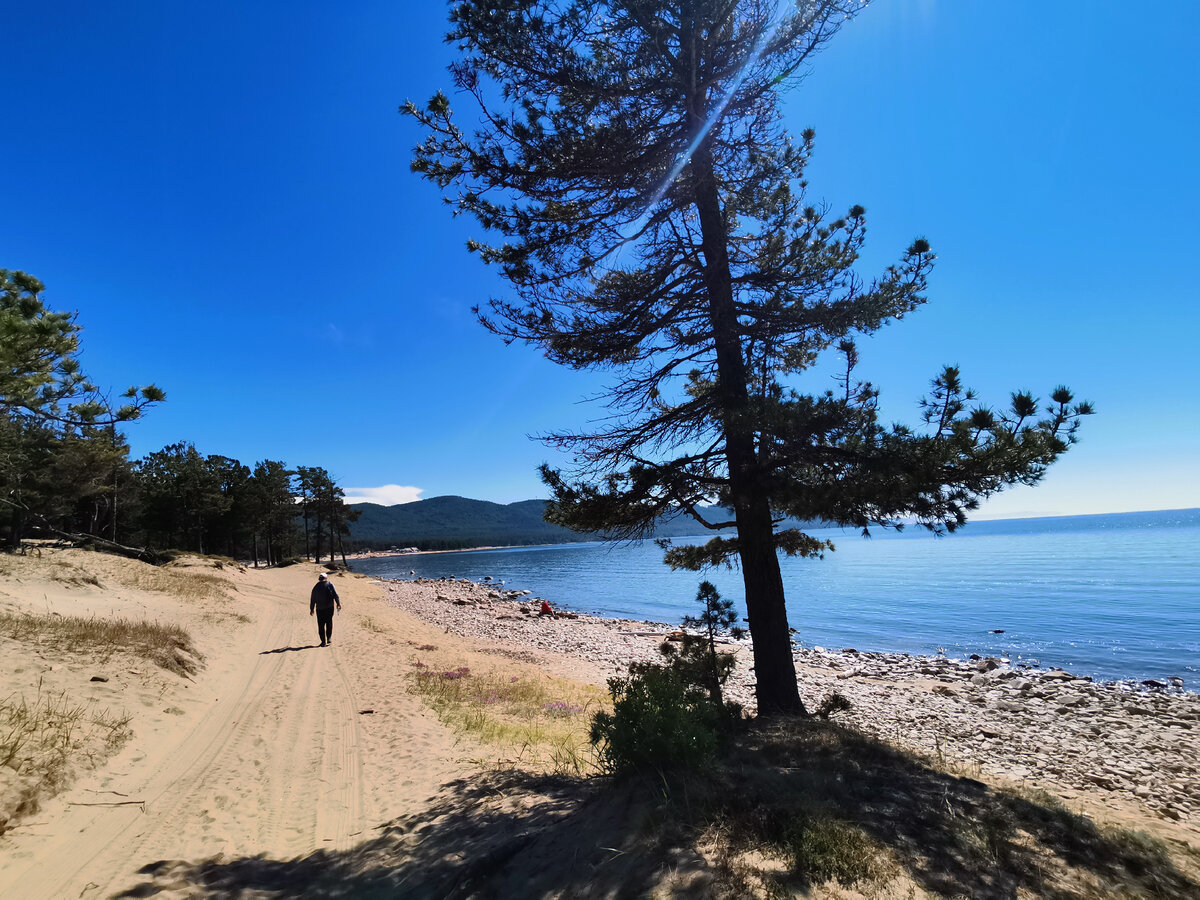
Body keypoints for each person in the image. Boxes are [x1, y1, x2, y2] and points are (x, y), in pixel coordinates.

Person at [310, 572, 341, 646]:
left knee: (321, 625)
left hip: (319, 609)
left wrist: (312, 609)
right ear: (326, 578)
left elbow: (312, 599)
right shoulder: (330, 584)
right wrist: (338, 603)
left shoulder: (316, 587)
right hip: (329, 607)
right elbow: (335, 595)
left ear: (319, 579)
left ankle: (323, 641)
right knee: (329, 622)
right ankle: (329, 638)